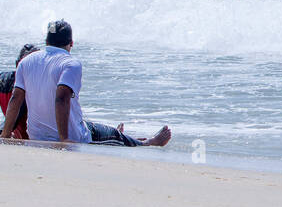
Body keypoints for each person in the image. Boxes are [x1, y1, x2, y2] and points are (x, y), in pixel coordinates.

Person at [0, 20, 171, 146]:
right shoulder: (70, 63)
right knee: (113, 137)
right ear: (71, 43)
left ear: (46, 42)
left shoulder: (27, 61)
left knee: (105, 130)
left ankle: (130, 138)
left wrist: (6, 135)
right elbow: (61, 98)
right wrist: (64, 139)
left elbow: (16, 98)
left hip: (37, 137)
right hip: (74, 135)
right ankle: (148, 143)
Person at [0, 43, 39, 140]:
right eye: (27, 65)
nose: (32, 70)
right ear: (17, 65)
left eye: (36, 66)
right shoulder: (4, 81)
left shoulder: (4, 80)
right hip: (35, 145)